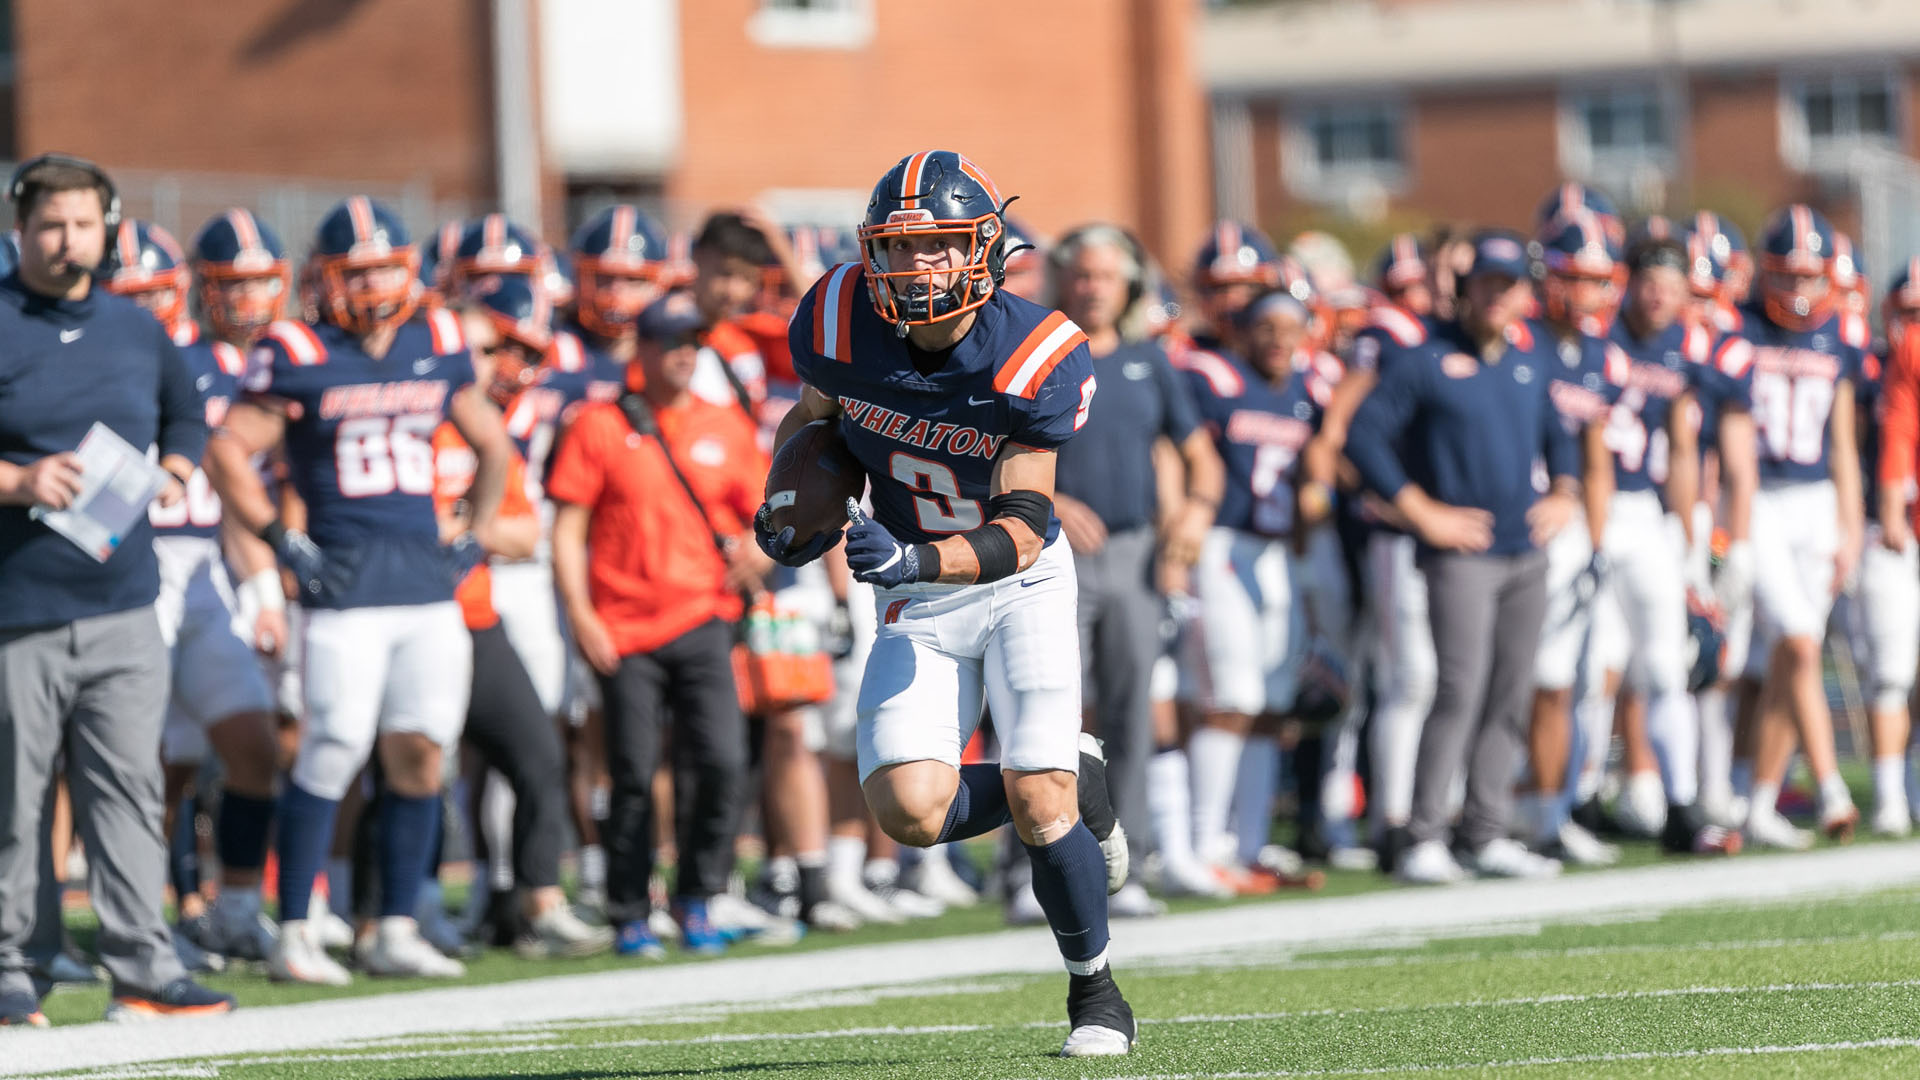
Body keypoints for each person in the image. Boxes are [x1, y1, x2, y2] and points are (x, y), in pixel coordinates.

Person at [758, 149, 1135, 1058]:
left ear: (983, 251)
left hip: (1015, 585)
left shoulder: (1034, 350)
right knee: (910, 813)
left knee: (1038, 798)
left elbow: (1027, 526)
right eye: (898, 248)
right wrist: (788, 495)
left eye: (936, 247)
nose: (914, 267)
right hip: (914, 597)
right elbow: (813, 417)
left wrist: (913, 554)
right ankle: (1069, 775)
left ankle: (1097, 995)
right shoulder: (840, 317)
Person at [204, 195, 512, 984]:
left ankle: (394, 924)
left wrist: (472, 534)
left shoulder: (437, 339)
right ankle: (298, 930)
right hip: (341, 586)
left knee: (420, 754)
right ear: (327, 277)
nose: (373, 284)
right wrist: (281, 542)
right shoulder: (300, 348)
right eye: (359, 269)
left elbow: (491, 442)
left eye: (384, 266)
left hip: (425, 587)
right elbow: (228, 448)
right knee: (332, 749)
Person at [0, 152, 231, 1024]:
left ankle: (143, 966)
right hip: (14, 614)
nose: (69, 242)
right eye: (51, 226)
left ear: (110, 227)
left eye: (85, 225)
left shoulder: (137, 330)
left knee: (130, 791)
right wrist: (18, 483)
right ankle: (9, 966)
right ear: (21, 230)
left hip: (125, 606)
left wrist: (176, 464)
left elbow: (186, 411)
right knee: (12, 803)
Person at [1345, 229, 1581, 886]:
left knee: (1510, 691)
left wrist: (1564, 492)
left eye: (1507, 286)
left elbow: (1562, 437)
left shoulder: (1529, 361)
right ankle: (1422, 834)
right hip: (1462, 554)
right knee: (1458, 688)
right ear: (1464, 290)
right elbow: (1363, 438)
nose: (1496, 297)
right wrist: (1420, 510)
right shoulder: (1425, 359)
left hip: (1524, 549)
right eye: (1486, 285)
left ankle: (1485, 830)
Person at [547, 293, 765, 959]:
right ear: (640, 349)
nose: (683, 353)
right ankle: (629, 908)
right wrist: (580, 616)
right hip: (622, 627)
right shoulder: (597, 424)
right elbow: (568, 529)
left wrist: (759, 552)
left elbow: (766, 510)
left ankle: (698, 894)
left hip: (704, 617)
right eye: (670, 341)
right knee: (634, 775)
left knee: (723, 763)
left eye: (692, 342)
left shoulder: (725, 423)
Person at [112, 209, 290, 969]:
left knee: (251, 746)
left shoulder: (216, 365)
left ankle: (237, 910)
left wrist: (264, 590)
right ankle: (132, 925)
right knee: (136, 764)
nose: (144, 308)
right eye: (129, 293)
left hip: (210, 568)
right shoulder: (92, 363)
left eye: (155, 292)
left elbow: (235, 477)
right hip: (131, 566)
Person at [1049, 223, 1223, 908]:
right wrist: (1051, 498)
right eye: (1083, 275)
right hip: (1050, 550)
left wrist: (1197, 510)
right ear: (1066, 280)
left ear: (1128, 287)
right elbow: (991, 453)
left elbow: (1200, 454)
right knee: (1046, 713)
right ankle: (1029, 870)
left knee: (1130, 715)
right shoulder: (1040, 355)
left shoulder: (1150, 363)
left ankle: (1130, 866)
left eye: (1105, 276)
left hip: (1132, 550)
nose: (1092, 288)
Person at [1594, 235, 1745, 855]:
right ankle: (1572, 802)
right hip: (1593, 512)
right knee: (1590, 667)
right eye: (1649, 281)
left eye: (1670, 285)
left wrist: (1688, 540)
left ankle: (1681, 805)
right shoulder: (1598, 338)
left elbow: (1684, 450)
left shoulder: (1687, 349)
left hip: (1650, 514)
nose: (1658, 294)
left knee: (1665, 664)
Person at [1721, 204, 1863, 849]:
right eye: (1787, 276)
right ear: (1765, 274)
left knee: (1790, 654)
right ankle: (1829, 784)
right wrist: (1737, 535)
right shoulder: (1739, 330)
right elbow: (1733, 443)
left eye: (1809, 278)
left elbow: (1841, 443)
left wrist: (1851, 525)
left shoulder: (1839, 335)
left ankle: (1757, 801)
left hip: (1817, 502)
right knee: (1801, 643)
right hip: (1766, 501)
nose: (1799, 292)